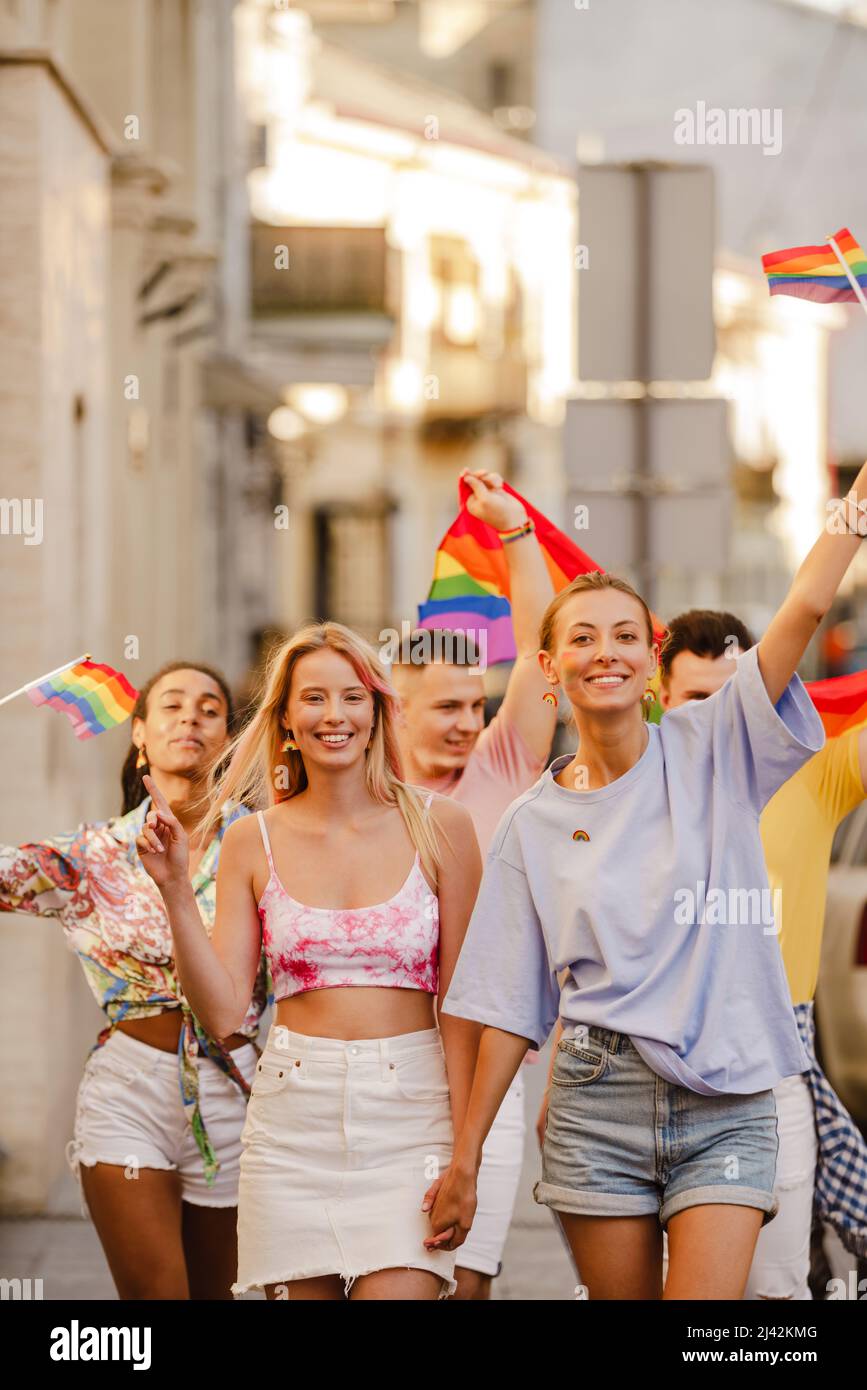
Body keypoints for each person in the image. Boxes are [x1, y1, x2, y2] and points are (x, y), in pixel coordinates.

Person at [429, 465, 867, 1297]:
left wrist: (860, 504)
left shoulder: (717, 743)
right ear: (550, 669)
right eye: (583, 638)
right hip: (596, 1101)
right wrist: (465, 1160)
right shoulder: (531, 822)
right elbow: (505, 1008)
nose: (606, 652)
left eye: (625, 635)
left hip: (730, 1096)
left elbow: (805, 607)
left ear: (648, 660)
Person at [137, 622, 482, 1301]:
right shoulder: (249, 840)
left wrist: (467, 1159)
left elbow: (467, 1007)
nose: (335, 716)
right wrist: (177, 890)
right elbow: (225, 1013)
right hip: (294, 1114)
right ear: (287, 719)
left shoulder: (442, 826)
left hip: (411, 1112)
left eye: (353, 697)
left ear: (378, 710)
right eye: (314, 699)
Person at [0, 663, 267, 1299]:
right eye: (172, 705)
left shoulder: (264, 846)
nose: (192, 717)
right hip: (127, 1092)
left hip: (238, 1092)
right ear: (140, 732)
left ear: (227, 736)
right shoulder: (90, 856)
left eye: (209, 708)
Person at [657, 608, 867, 1297]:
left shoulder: (815, 771)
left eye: (734, 696)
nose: (717, 719)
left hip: (774, 1070)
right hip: (654, 1073)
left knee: (773, 1291)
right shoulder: (631, 786)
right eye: (695, 699)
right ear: (659, 698)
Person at [391, 468, 559, 1299]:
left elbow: (538, 653)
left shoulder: (499, 766)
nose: (467, 721)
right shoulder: (360, 794)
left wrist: (516, 533)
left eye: (474, 703)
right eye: (446, 707)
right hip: (378, 1068)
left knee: (463, 1283)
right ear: (395, 707)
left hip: (482, 1080)